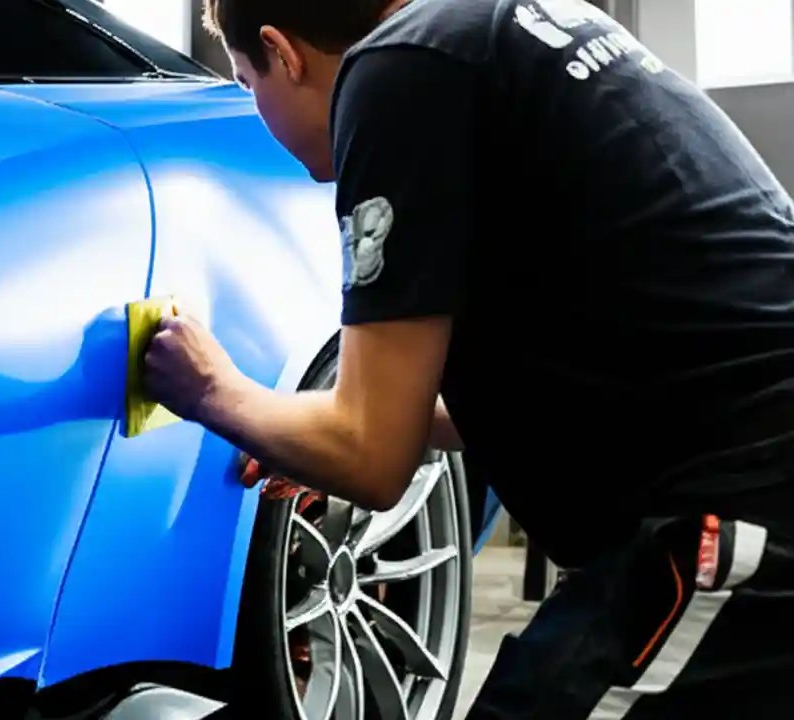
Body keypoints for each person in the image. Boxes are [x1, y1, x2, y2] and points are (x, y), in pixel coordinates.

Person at [141, 0, 794, 717]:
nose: (254, 107)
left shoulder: (395, 70)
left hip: (744, 515)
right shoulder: (501, 35)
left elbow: (370, 458)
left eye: (244, 79)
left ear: (282, 52)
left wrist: (214, 392)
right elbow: (566, 387)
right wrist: (296, 426)